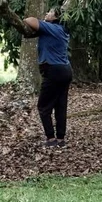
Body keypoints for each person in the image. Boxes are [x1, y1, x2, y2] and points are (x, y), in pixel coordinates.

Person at [23, 9, 72, 148]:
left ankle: (51, 139)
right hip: (65, 70)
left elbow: (30, 20)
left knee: (43, 106)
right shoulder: (62, 30)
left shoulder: (51, 28)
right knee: (60, 106)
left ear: (56, 17)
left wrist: (42, 22)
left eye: (49, 13)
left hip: (53, 71)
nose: (46, 14)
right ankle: (61, 139)